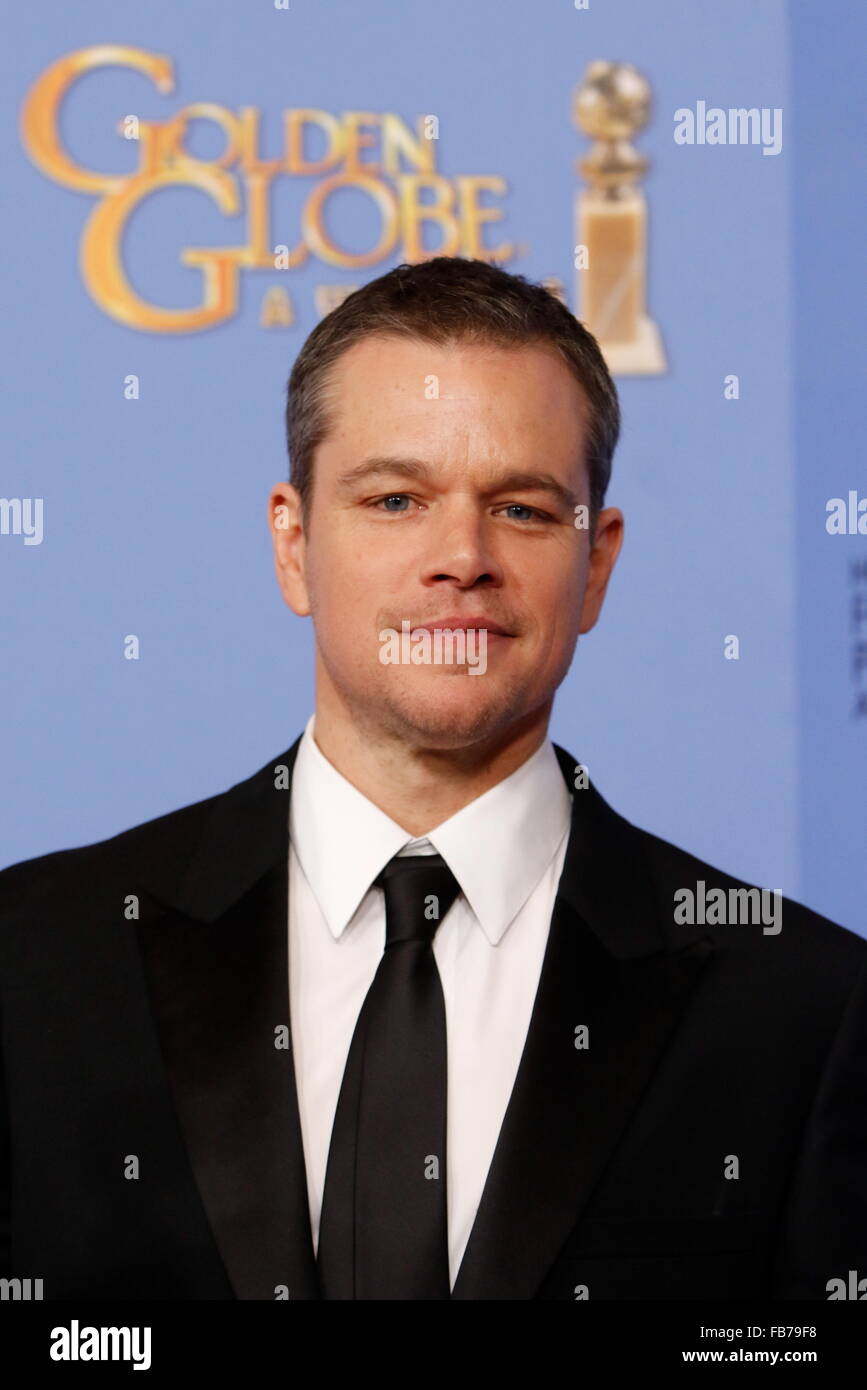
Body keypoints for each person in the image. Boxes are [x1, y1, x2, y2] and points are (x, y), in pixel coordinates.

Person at [1, 257, 865, 1301]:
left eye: (525, 510)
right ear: (292, 541)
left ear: (596, 565)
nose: (462, 555)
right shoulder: (35, 961)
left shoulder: (805, 1008)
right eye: (397, 497)